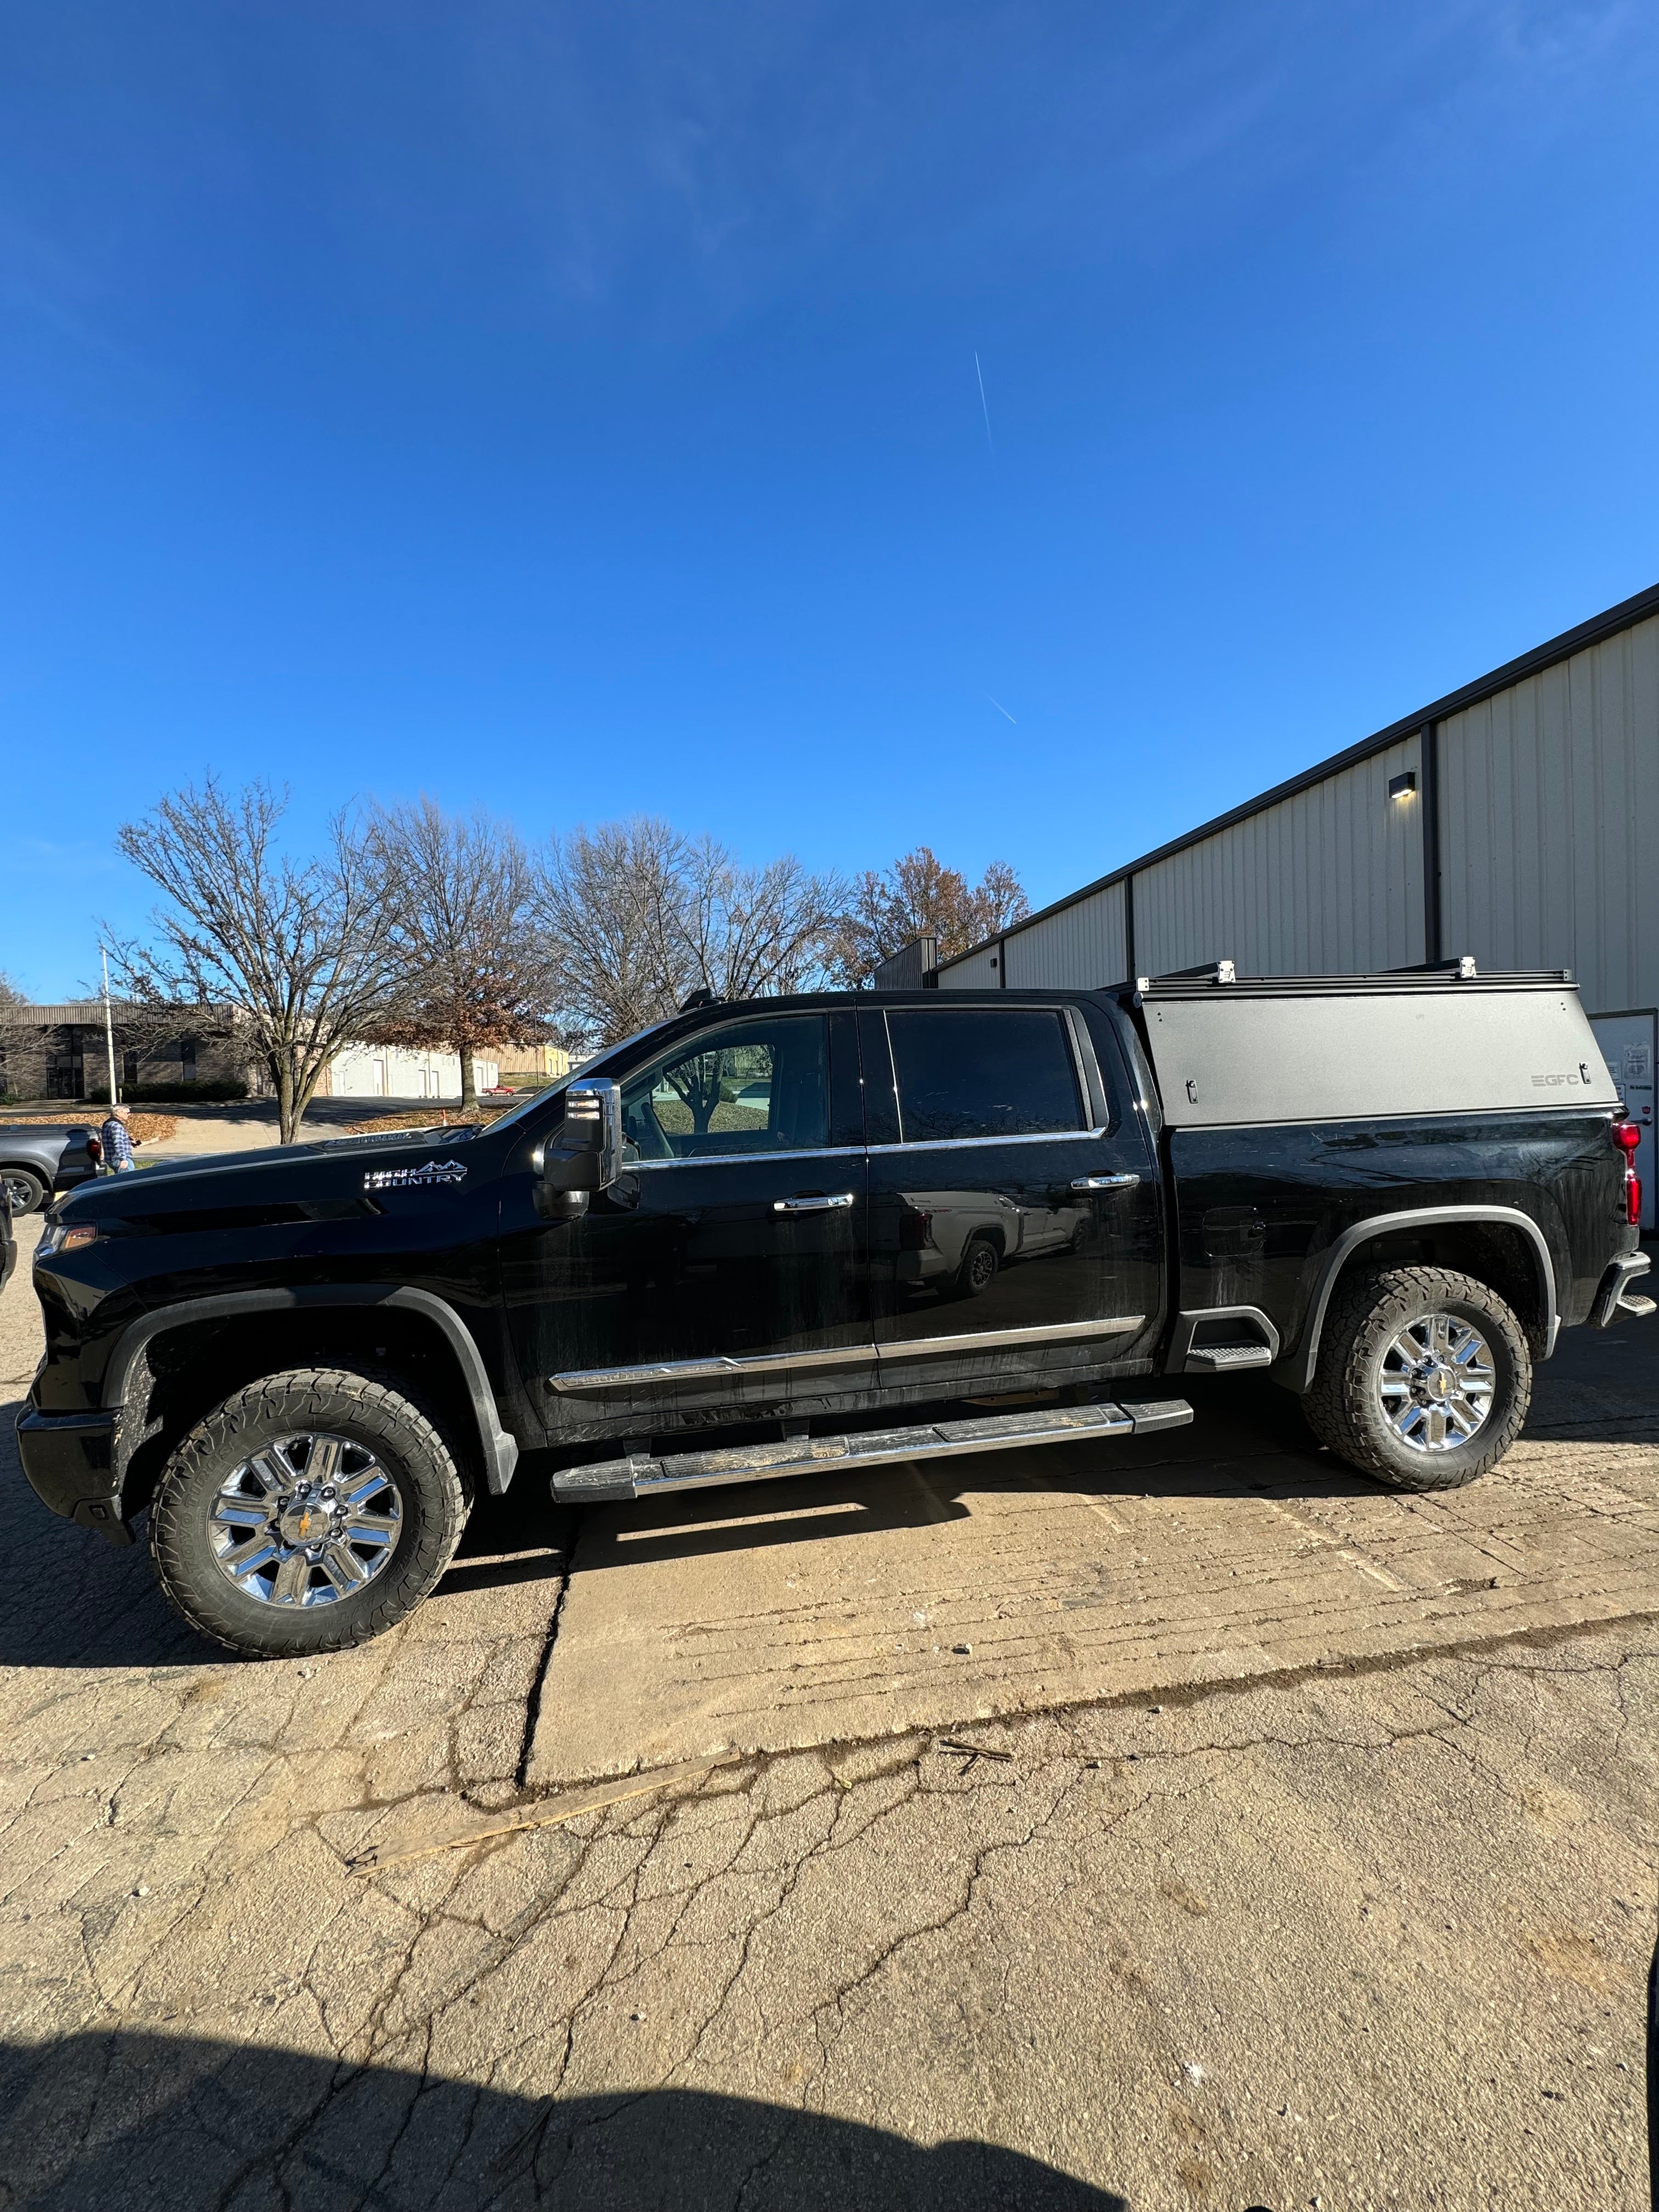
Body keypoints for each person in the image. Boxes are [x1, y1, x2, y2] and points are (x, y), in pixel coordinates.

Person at [100, 1103, 139, 1175]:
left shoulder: (108, 1124)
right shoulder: (116, 1126)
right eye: (127, 1113)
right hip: (120, 1159)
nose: (129, 1115)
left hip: (113, 1158)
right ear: (119, 1113)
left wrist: (129, 1141)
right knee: (127, 1181)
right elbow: (118, 1143)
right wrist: (123, 1159)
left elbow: (114, 1139)